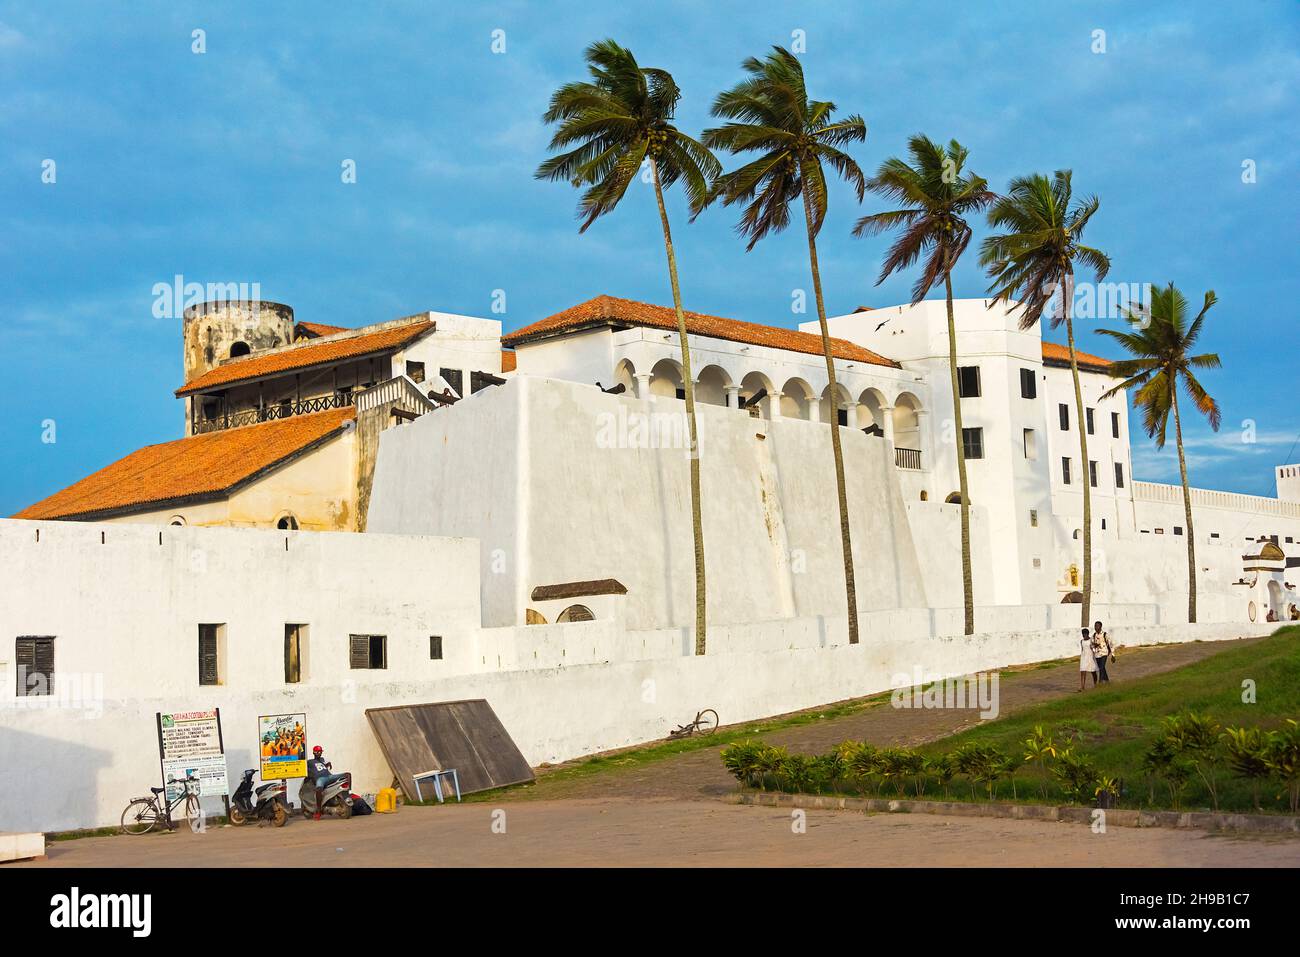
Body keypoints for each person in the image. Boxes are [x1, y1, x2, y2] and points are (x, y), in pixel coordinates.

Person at [306, 745, 345, 820]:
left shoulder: (322, 759)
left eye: (320, 752)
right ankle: (319, 809)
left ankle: (319, 810)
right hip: (321, 779)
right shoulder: (310, 762)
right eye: (318, 752)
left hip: (329, 777)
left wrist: (327, 764)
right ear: (314, 752)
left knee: (347, 774)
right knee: (319, 789)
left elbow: (322, 767)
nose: (319, 753)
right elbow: (307, 770)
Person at [1077, 627, 1096, 692]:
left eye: (1085, 634)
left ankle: (1095, 684)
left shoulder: (1091, 640)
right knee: (1083, 671)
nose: (1083, 635)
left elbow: (1093, 648)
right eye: (1083, 634)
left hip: (1090, 656)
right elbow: (1082, 649)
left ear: (1087, 634)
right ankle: (1082, 686)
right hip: (1084, 657)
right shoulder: (1082, 641)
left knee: (1093, 671)